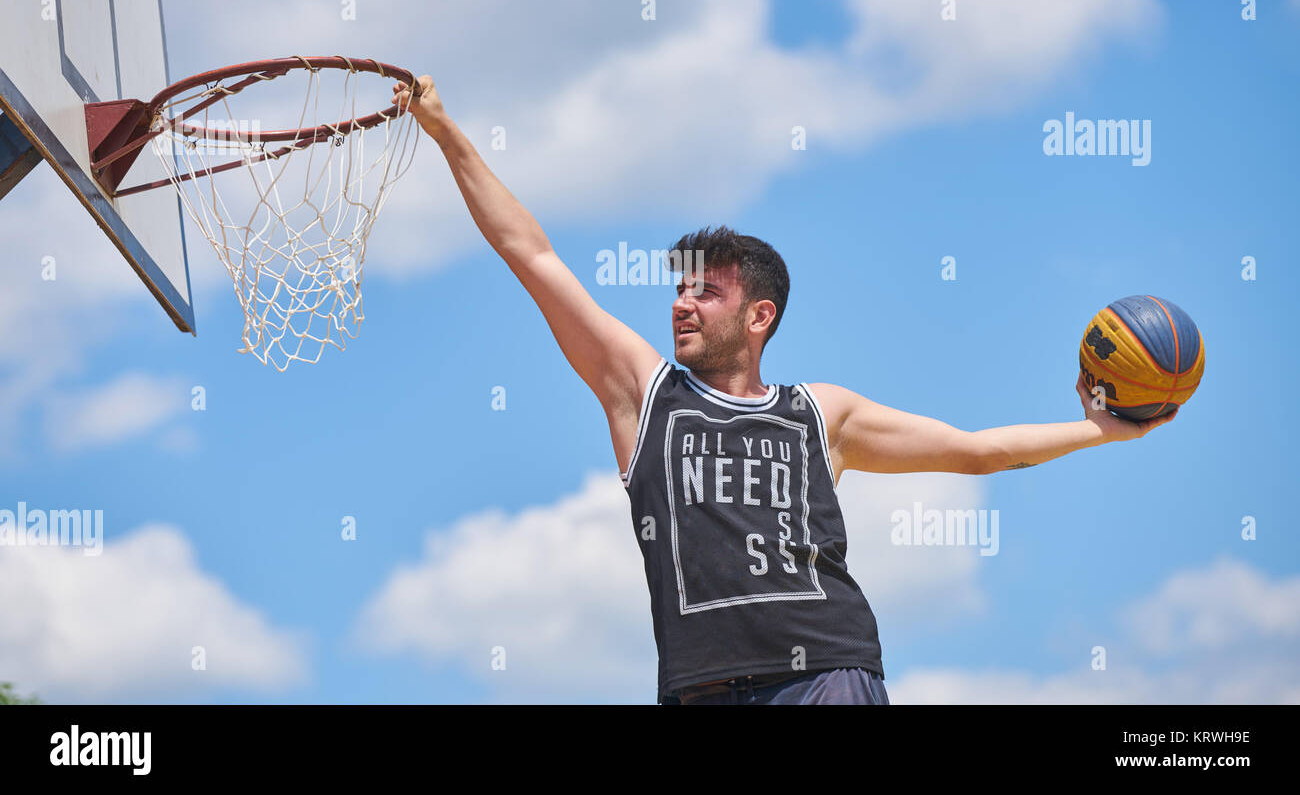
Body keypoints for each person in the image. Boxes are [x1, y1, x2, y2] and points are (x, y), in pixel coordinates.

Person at [392, 76, 1178, 705]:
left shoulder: (820, 414)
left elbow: (977, 452)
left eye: (706, 292)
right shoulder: (645, 391)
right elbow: (531, 254)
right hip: (697, 687)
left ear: (759, 315)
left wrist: (1108, 429)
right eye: (679, 289)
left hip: (825, 675)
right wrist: (444, 129)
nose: (681, 302)